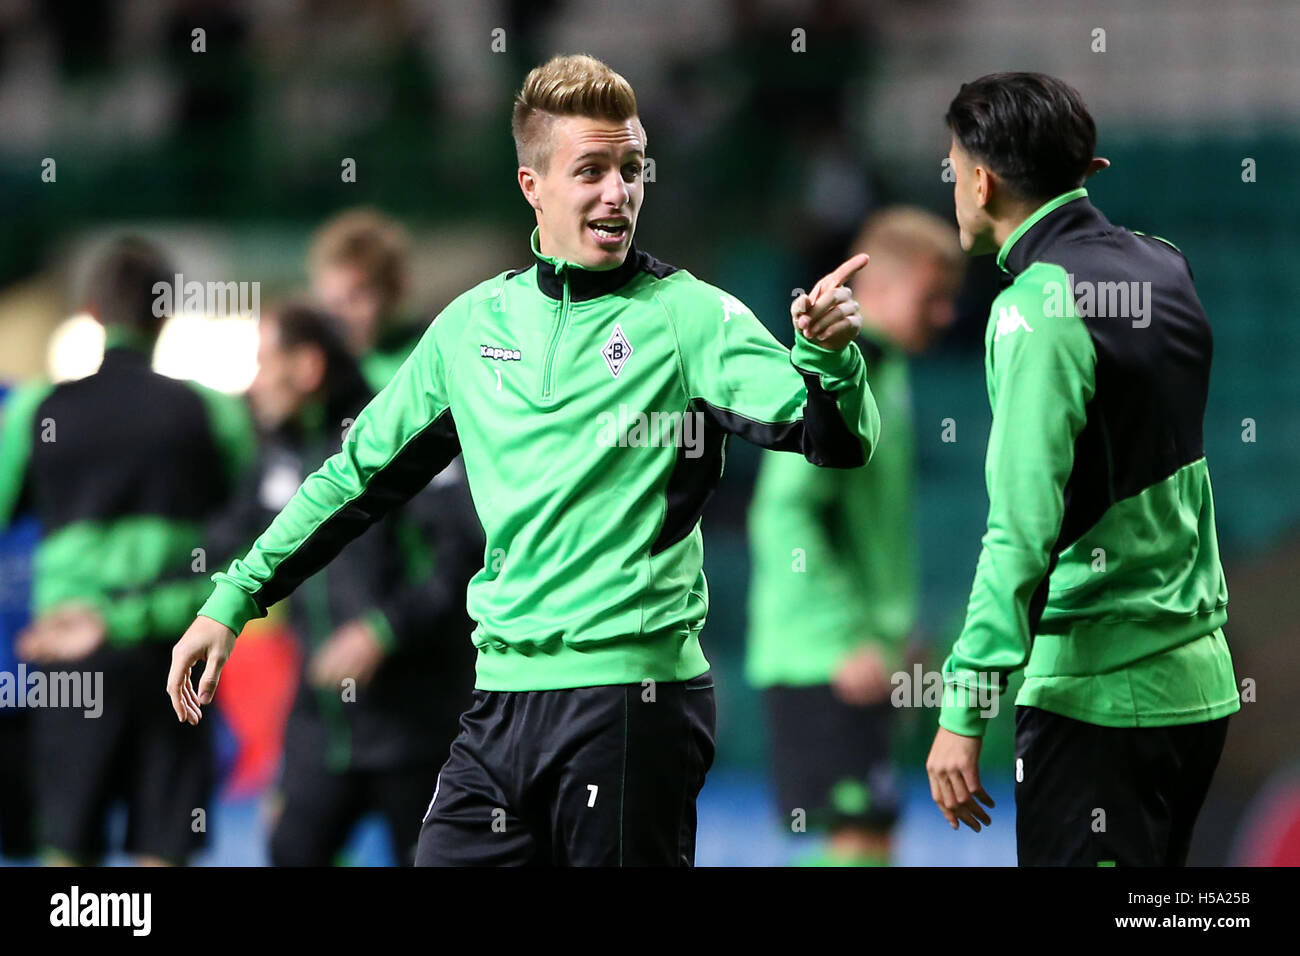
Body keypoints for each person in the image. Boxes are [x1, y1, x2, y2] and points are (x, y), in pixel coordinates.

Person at [169, 53, 879, 867]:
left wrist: (827, 361)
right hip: (499, 702)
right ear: (532, 185)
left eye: (632, 169)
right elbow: (352, 476)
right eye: (592, 170)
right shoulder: (472, 326)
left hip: (629, 700)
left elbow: (835, 439)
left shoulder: (692, 317)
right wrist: (233, 599)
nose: (618, 191)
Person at [924, 72, 1239, 866]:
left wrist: (963, 707)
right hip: (1199, 684)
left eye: (953, 167)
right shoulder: (1167, 265)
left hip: (1099, 694)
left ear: (982, 180)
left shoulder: (1036, 306)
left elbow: (1022, 528)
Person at [0, 237, 255, 864]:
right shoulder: (212, 411)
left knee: (68, 847)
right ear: (164, 314)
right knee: (164, 846)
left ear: (91, 312)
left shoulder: (36, 410)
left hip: (73, 650)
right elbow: (254, 528)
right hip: (179, 655)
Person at [220, 303, 481, 866]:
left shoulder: (400, 435)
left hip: (417, 728)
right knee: (290, 852)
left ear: (308, 366)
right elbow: (221, 544)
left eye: (265, 362)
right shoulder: (277, 450)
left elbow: (462, 561)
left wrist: (383, 630)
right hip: (321, 729)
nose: (254, 383)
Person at [747, 207, 964, 866]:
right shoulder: (838, 372)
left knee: (870, 837)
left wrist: (898, 629)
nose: (946, 316)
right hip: (825, 653)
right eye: (934, 299)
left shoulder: (886, 370)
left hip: (861, 649)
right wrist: (848, 638)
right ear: (882, 288)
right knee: (853, 838)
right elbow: (783, 514)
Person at [308, 208, 425, 392]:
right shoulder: (321, 376)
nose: (341, 315)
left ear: (394, 289)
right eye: (333, 303)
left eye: (355, 298)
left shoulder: (432, 358)